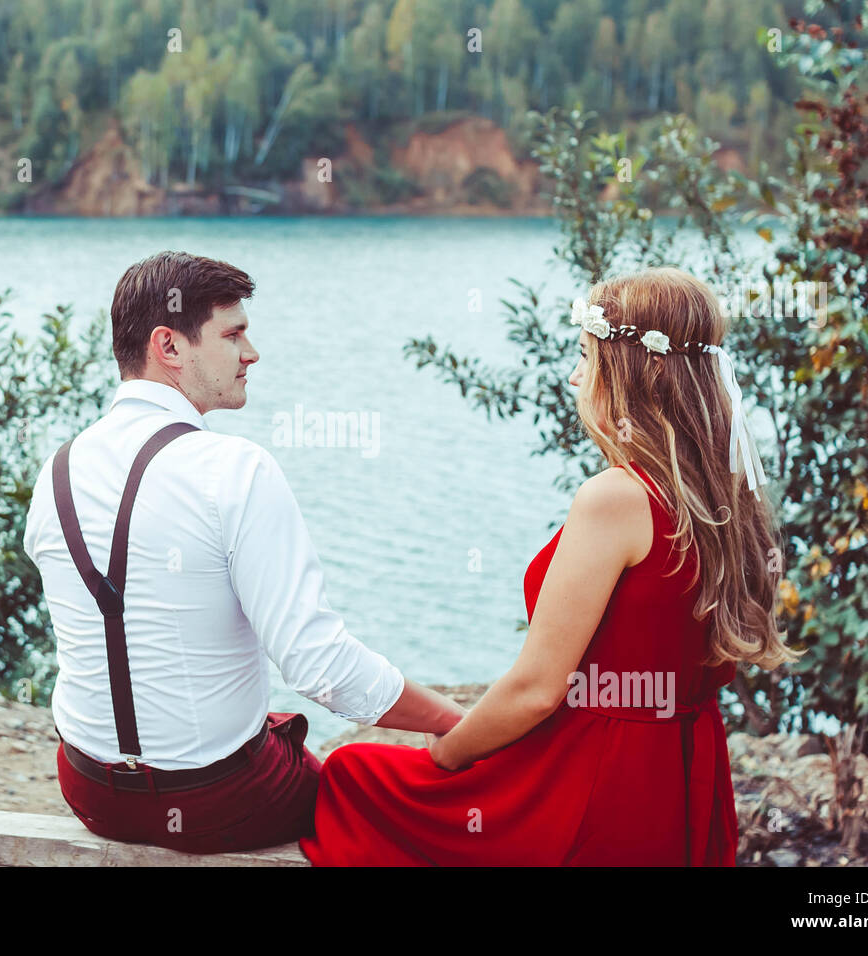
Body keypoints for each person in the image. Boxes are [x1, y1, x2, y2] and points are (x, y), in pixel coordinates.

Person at [300, 266, 802, 866]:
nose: (573, 376)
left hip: (598, 778)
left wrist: (449, 756)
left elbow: (538, 690)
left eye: (586, 357)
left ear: (630, 374)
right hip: (688, 767)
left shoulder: (616, 498)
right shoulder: (730, 494)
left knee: (356, 769)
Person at [22, 250, 464, 854]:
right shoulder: (235, 469)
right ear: (169, 347)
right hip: (217, 803)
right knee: (371, 789)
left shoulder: (57, 470)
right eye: (233, 335)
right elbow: (318, 667)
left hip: (89, 789)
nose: (251, 355)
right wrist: (453, 721)